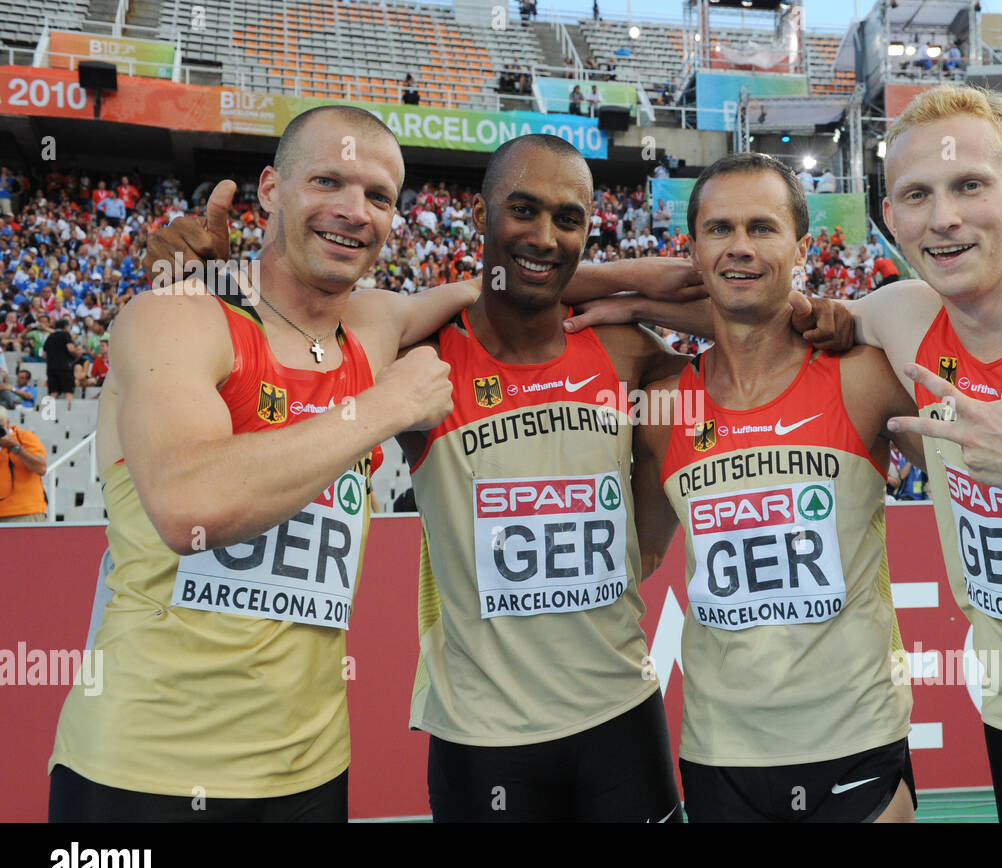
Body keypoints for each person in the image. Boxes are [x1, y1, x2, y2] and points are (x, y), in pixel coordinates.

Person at [571, 83, 1002, 822]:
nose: (943, 218)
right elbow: (759, 306)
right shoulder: (900, 320)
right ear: (890, 218)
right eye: (917, 195)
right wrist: (628, 293)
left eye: (969, 186)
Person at [49, 106, 698, 823]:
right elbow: (188, 506)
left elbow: (515, 282)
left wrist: (638, 280)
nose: (353, 211)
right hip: (138, 774)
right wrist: (383, 409)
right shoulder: (176, 316)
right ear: (269, 189)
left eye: (379, 197)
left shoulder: (373, 328)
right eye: (328, 181)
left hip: (308, 774)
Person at [398, 135, 701, 823]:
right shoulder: (424, 362)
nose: (543, 235)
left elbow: (744, 315)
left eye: (568, 220)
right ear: (481, 214)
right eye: (523, 210)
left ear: (589, 231)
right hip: (484, 739)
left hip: (621, 714)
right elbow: (321, 329)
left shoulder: (626, 355)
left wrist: (639, 298)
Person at [632, 153, 921, 822]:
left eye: (762, 228)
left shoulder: (865, 376)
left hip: (856, 743)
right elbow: (641, 556)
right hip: (718, 751)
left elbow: (970, 475)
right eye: (719, 229)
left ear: (801, 247)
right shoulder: (664, 406)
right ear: (694, 251)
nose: (739, 246)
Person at [0, 405, 47, 522]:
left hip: (25, 513)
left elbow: (41, 468)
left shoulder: (24, 437)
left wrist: (14, 446)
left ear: (7, 422)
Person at [43, 317, 81, 404]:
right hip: (64, 368)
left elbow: (44, 355)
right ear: (66, 327)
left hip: (51, 368)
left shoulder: (50, 337)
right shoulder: (65, 334)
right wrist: (77, 353)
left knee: (54, 393)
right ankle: (69, 414)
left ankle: (50, 414)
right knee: (68, 392)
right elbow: (71, 349)